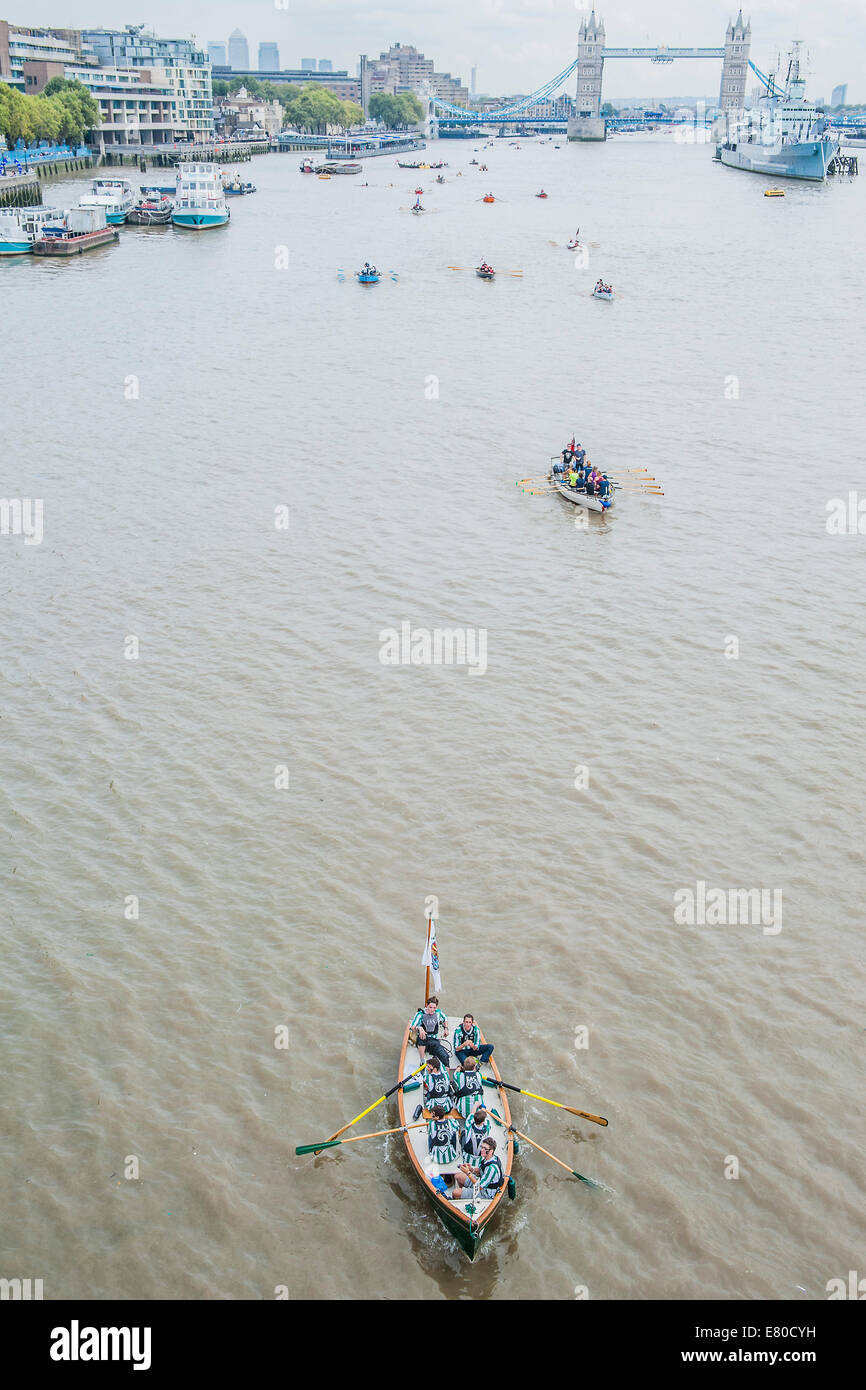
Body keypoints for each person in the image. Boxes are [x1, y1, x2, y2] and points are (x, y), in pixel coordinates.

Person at [410, 997, 450, 1067]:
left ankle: (442, 1066)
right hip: (423, 1040)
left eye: (434, 1008)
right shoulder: (420, 1014)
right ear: (427, 1005)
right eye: (430, 1007)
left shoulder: (438, 1013)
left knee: (445, 1056)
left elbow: (445, 1018)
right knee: (422, 1037)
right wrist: (419, 1028)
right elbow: (412, 1027)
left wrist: (446, 1028)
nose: (432, 1010)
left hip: (434, 1040)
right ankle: (422, 1061)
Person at [452, 1054, 485, 1121]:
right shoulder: (479, 1075)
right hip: (478, 1113)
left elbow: (455, 1073)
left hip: (463, 1113)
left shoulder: (459, 1075)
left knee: (455, 1087)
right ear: (474, 1067)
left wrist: (459, 1067)